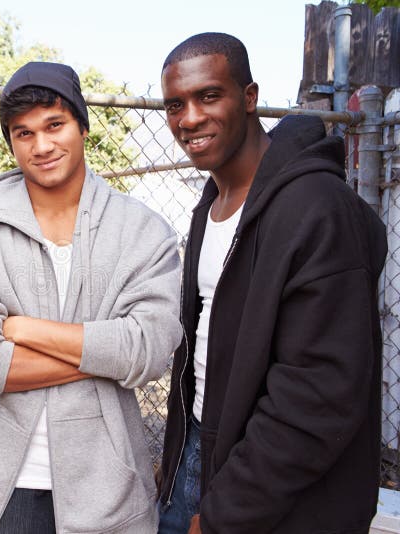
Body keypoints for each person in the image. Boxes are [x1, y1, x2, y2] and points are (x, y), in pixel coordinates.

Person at [0, 61, 182, 534]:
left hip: (106, 490)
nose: (41, 146)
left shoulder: (142, 231)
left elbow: (150, 351)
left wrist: (24, 330)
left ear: (82, 125)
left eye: (55, 125)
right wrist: (106, 353)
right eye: (23, 134)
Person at [157, 32, 387, 534]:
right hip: (202, 458)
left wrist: (221, 514)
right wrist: (179, 463)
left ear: (250, 97)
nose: (189, 118)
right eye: (175, 104)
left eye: (209, 95)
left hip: (272, 494)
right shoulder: (211, 205)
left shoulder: (317, 208)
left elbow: (316, 395)